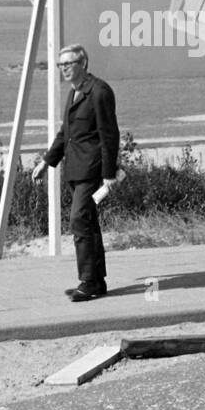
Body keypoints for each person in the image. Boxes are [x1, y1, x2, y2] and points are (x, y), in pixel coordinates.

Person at [32, 44, 119, 302]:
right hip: (75, 169)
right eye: (61, 65)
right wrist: (47, 161)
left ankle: (88, 281)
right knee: (88, 224)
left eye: (68, 64)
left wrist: (109, 174)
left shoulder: (99, 92)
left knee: (79, 221)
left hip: (92, 170)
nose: (64, 69)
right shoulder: (74, 93)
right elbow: (65, 133)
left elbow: (109, 135)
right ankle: (97, 280)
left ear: (83, 63)